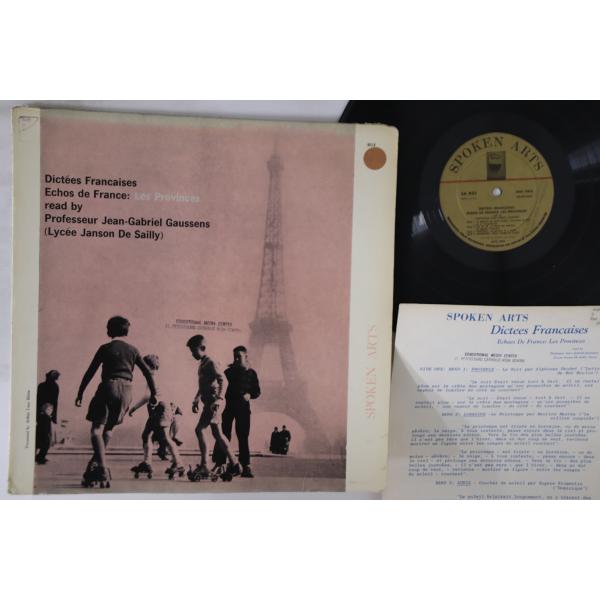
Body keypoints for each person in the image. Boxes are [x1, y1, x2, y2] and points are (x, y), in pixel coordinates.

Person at [75, 316, 157, 486]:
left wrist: (80, 392)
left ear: (110, 330)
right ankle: (94, 464)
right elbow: (148, 372)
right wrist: (154, 393)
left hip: (109, 386)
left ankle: (102, 467)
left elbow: (90, 371)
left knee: (96, 430)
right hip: (127, 391)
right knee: (109, 428)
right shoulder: (133, 350)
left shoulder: (105, 348)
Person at [185, 335, 241, 480]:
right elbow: (204, 384)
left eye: (193, 351)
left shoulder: (211, 362)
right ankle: (234, 463)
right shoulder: (203, 363)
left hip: (213, 403)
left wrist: (219, 399)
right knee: (217, 434)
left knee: (200, 430)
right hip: (208, 403)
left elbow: (224, 381)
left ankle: (205, 465)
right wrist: (196, 399)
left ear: (202, 348)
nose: (192, 354)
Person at [128, 354, 184, 479]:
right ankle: (147, 463)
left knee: (165, 438)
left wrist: (135, 408)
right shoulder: (155, 377)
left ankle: (178, 463)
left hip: (161, 409)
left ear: (149, 366)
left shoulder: (152, 378)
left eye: (144, 366)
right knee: (146, 435)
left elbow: (149, 396)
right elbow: (152, 396)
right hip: (159, 409)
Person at [213, 346, 261, 478]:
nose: (236, 359)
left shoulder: (252, 373)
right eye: (235, 356)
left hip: (243, 408)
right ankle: (220, 463)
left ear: (246, 356)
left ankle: (245, 466)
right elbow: (219, 387)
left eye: (239, 356)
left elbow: (257, 391)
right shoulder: (228, 372)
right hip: (228, 407)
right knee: (224, 435)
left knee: (243, 436)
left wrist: (250, 395)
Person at [35, 370, 60, 464]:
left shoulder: (41, 386)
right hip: (47, 412)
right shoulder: (55, 386)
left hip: (42, 413)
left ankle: (39, 456)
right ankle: (40, 456)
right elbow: (55, 402)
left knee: (40, 434)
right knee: (46, 436)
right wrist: (54, 417)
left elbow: (38, 400)